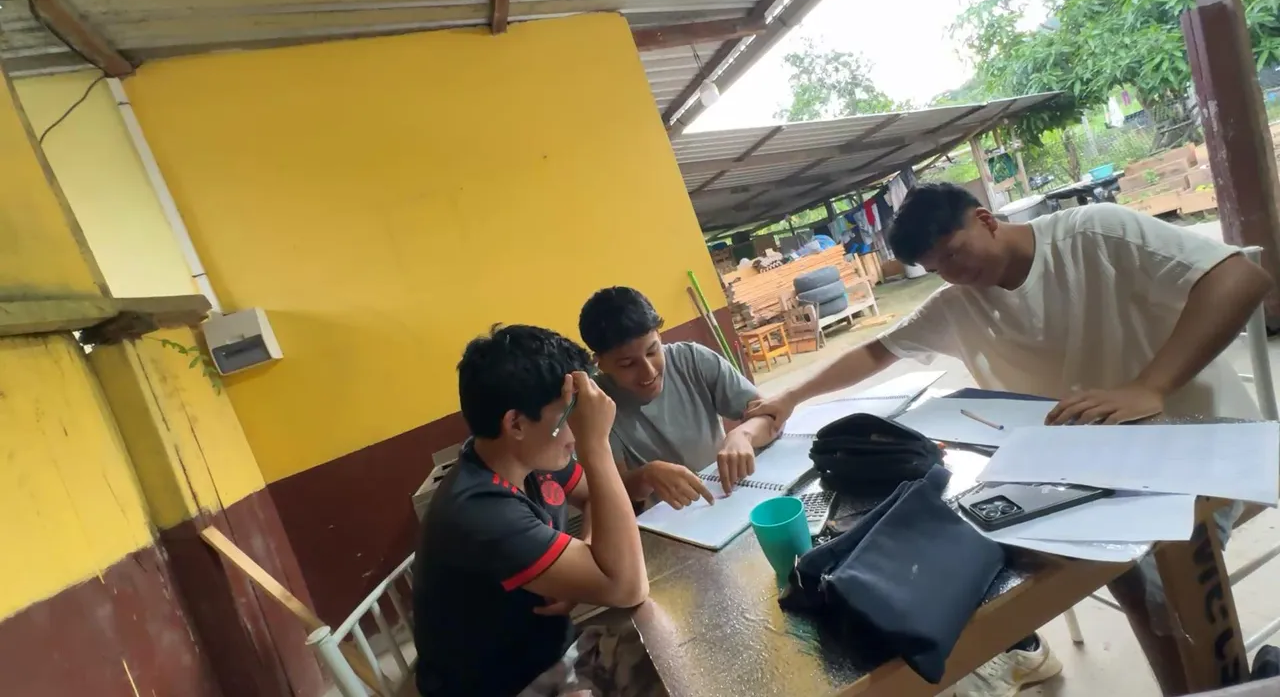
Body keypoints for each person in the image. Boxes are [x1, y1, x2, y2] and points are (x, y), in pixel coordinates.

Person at [745, 182, 1273, 696]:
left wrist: (1150, 387)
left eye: (954, 253)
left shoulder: (1094, 235)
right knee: (1042, 557)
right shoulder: (960, 300)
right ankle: (1139, 675)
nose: (954, 274)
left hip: (1193, 445)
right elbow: (876, 351)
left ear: (985, 220)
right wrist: (790, 398)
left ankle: (1210, 682)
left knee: (1160, 579)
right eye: (938, 269)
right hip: (1091, 468)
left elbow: (1241, 277)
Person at [412, 325, 663, 697]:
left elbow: (594, 497)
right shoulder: (480, 512)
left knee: (672, 649)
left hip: (556, 653)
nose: (576, 429)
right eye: (570, 415)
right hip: (509, 685)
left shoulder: (524, 454)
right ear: (515, 423)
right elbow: (628, 587)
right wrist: (596, 445)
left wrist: (586, 559)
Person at [578, 287, 779, 509]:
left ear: (659, 336)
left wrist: (743, 434)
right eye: (628, 364)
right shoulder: (595, 405)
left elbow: (771, 415)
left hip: (729, 494)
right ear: (601, 363)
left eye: (652, 351)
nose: (648, 372)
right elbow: (609, 490)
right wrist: (646, 476)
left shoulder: (693, 360)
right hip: (670, 517)